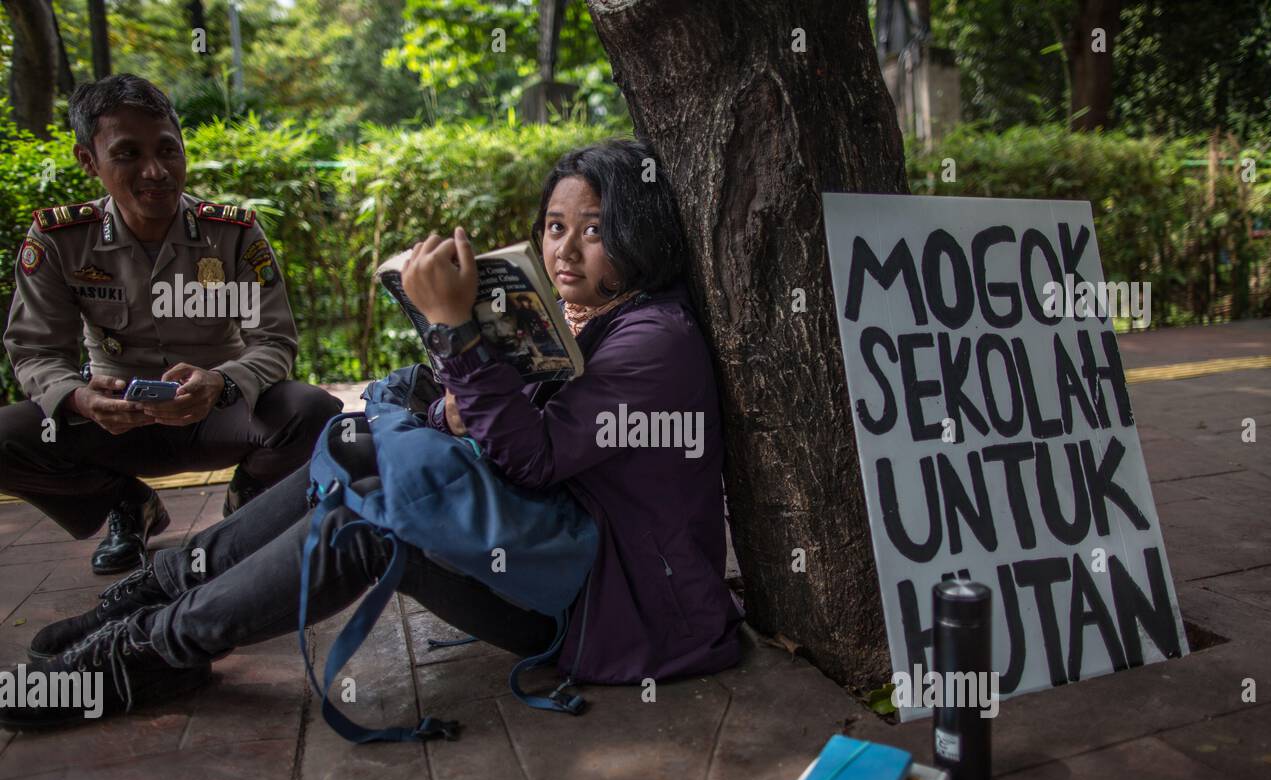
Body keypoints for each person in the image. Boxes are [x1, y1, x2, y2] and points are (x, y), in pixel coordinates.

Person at [0, 137, 744, 732]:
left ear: (638, 234)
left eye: (594, 230)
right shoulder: (591, 319)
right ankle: (155, 591)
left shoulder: (656, 342)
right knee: (352, 449)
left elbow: (534, 455)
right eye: (555, 227)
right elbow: (492, 432)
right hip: (553, 550)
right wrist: (455, 396)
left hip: (616, 610)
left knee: (364, 526)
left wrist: (457, 336)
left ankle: (152, 651)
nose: (566, 251)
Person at [0, 74, 342, 578]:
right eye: (128, 154)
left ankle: (246, 507)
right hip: (113, 421)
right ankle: (127, 504)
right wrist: (79, 399)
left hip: (217, 411)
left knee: (313, 412)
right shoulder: (59, 240)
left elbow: (272, 341)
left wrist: (222, 383)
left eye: (168, 150)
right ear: (88, 161)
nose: (156, 171)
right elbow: (36, 351)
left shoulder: (233, 233)